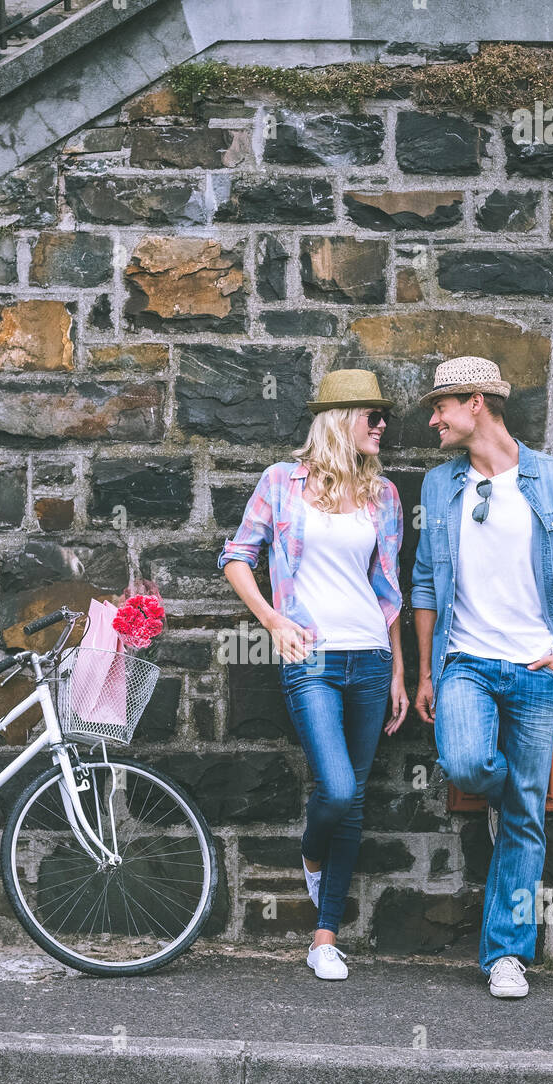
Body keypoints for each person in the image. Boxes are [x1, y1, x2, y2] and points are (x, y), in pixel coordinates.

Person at [411, 356, 553, 999]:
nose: (433, 418)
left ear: (477, 403)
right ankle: (506, 799)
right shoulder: (440, 487)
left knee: (527, 816)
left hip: (537, 668)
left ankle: (506, 956)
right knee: (466, 762)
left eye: (441, 405)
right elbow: (423, 585)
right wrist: (425, 671)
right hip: (464, 661)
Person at [219, 369, 410, 980]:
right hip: (312, 658)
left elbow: (392, 594)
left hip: (372, 659)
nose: (382, 426)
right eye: (372, 416)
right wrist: (274, 621)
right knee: (337, 789)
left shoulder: (384, 496)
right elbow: (236, 556)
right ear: (338, 419)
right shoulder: (281, 482)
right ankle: (310, 850)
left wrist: (401, 673)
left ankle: (324, 937)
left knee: (353, 804)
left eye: (384, 418)